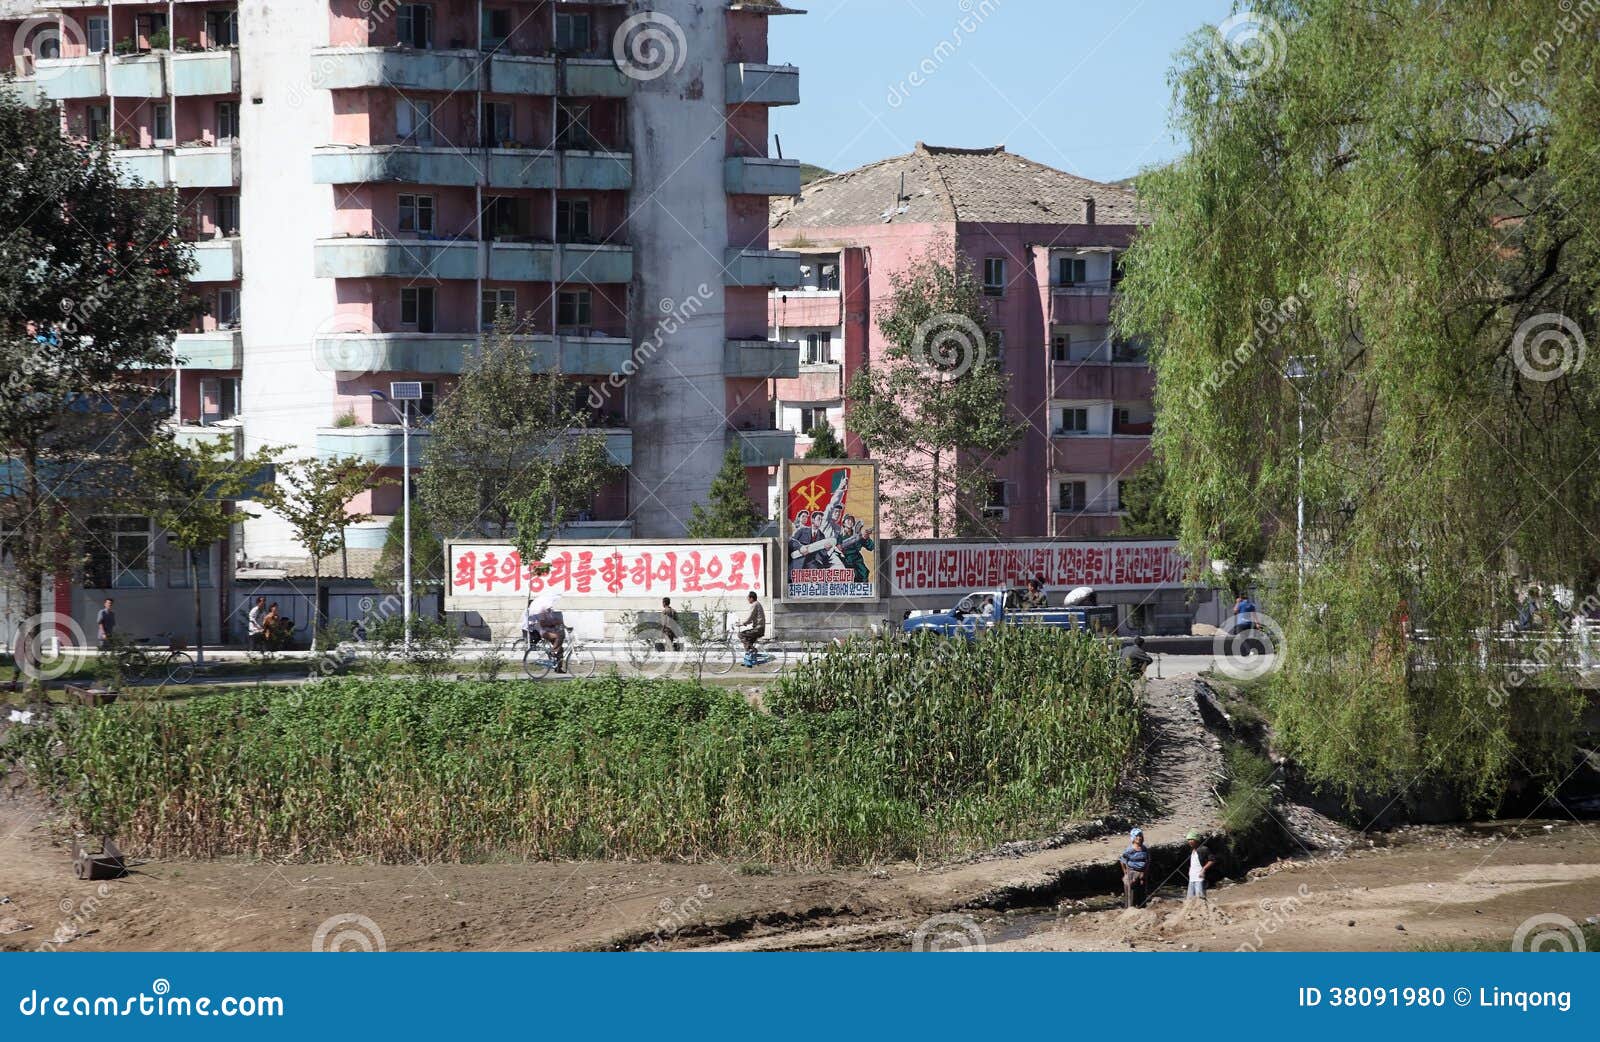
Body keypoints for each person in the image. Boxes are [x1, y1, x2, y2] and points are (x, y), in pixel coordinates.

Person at [1119, 827, 1151, 909]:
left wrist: (1145, 872)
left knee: (1142, 893)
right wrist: (1126, 873)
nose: (1139, 838)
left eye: (1140, 836)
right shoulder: (1129, 850)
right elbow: (1122, 861)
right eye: (1137, 836)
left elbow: (1147, 860)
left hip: (1142, 873)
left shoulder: (1144, 849)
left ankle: (1141, 908)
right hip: (1132, 872)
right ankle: (1130, 909)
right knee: (1131, 893)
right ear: (1133, 837)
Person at [532, 601, 566, 670]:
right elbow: (542, 623)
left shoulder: (550, 611)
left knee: (560, 649)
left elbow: (554, 620)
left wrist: (560, 623)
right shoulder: (542, 611)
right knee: (558, 636)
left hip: (551, 632)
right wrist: (553, 623)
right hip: (545, 632)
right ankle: (552, 652)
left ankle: (558, 668)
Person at [1185, 829, 1216, 900]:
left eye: (1192, 839)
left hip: (1200, 878)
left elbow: (1212, 860)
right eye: (1188, 840)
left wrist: (1203, 870)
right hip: (1192, 878)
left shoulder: (1203, 849)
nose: (1190, 841)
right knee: (1190, 899)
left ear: (1197, 840)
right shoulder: (1192, 851)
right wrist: (1190, 871)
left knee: (1200, 899)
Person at [738, 591, 765, 667]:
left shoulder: (755, 604)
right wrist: (744, 623)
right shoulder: (757, 604)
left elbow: (749, 618)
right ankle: (748, 662)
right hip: (759, 628)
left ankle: (754, 650)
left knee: (740, 634)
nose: (747, 599)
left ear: (751, 598)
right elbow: (751, 619)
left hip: (758, 629)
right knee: (747, 642)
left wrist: (741, 623)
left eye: (748, 598)